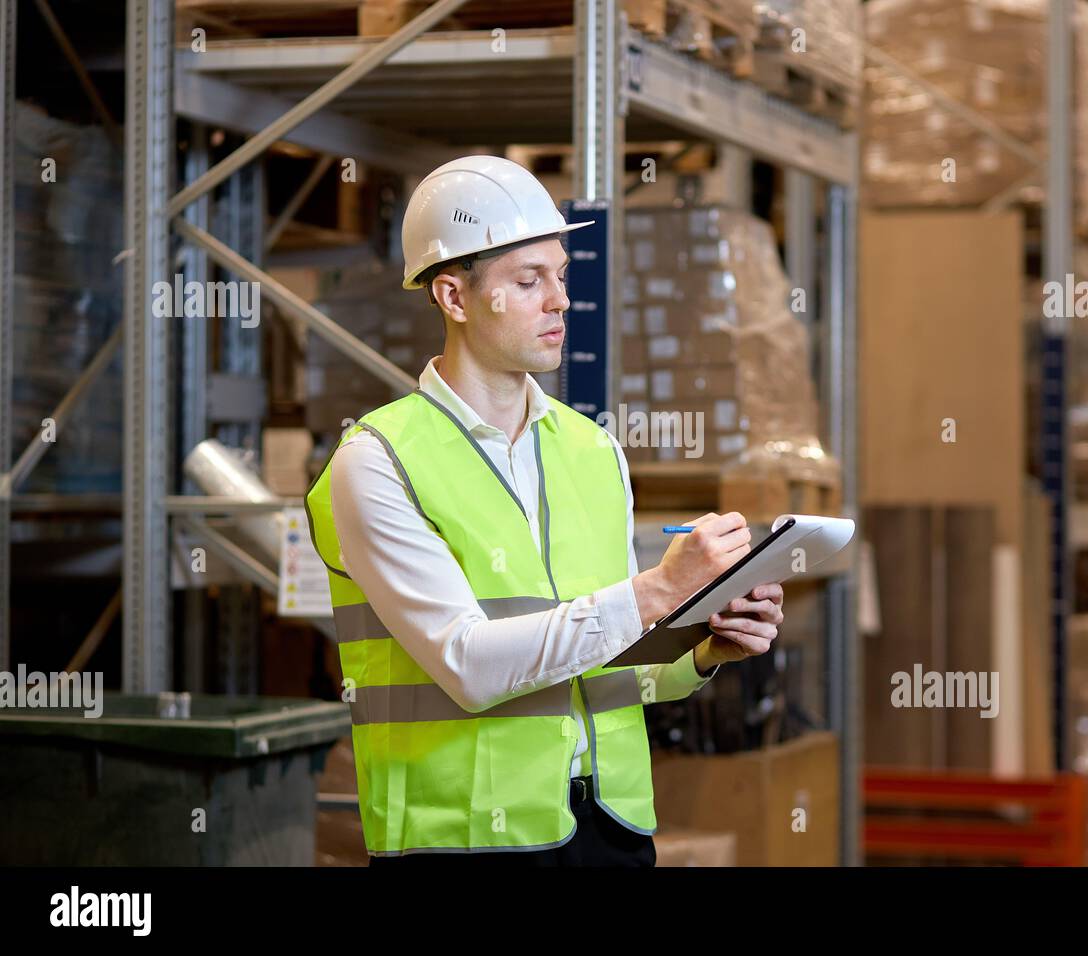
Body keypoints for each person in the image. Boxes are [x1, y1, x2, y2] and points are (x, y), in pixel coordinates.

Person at [305, 155, 784, 866]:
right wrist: (656, 589)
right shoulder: (376, 460)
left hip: (609, 832)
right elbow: (467, 665)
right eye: (528, 282)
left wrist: (705, 649)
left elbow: (611, 667)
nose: (559, 300)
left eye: (561, 276)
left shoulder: (593, 451)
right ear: (454, 296)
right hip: (461, 841)